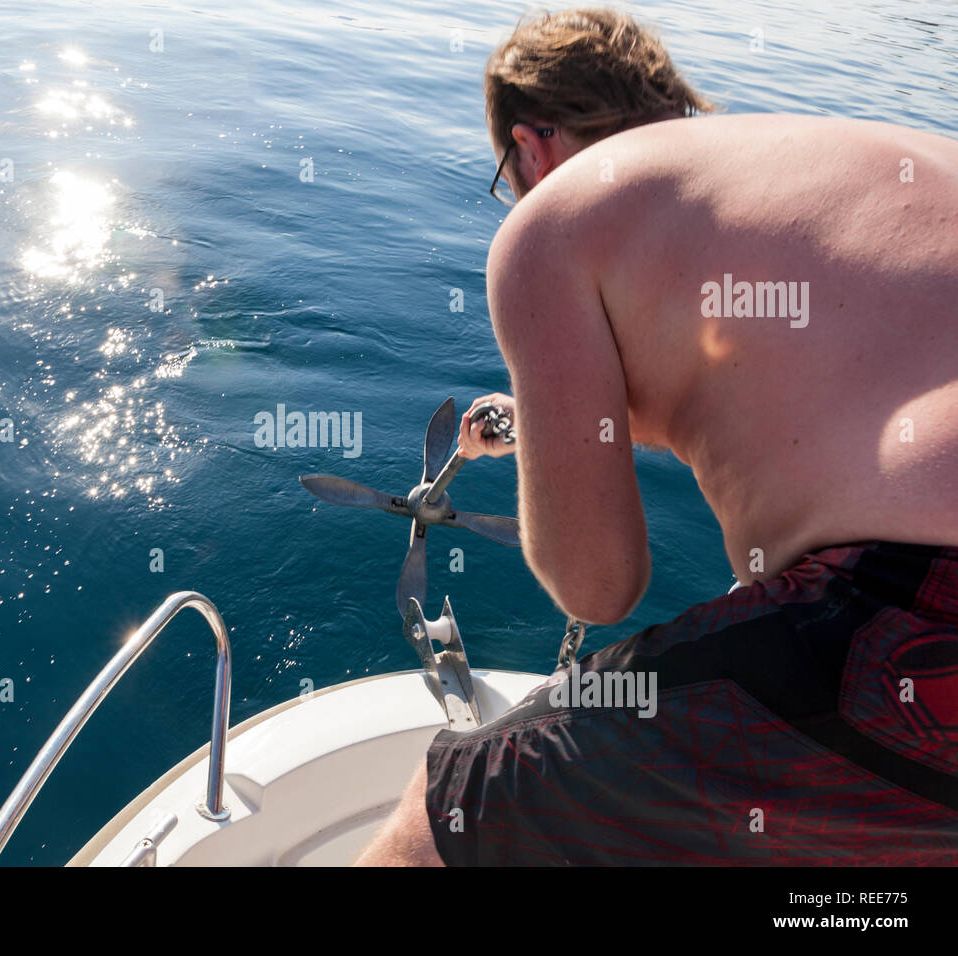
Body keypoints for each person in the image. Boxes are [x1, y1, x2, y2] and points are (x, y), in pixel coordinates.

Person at [355, 7, 958, 866]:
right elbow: (808, 389)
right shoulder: (837, 158)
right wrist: (548, 421)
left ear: (531, 146)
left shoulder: (557, 218)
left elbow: (599, 587)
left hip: (912, 619)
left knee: (454, 805)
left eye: (509, 176)